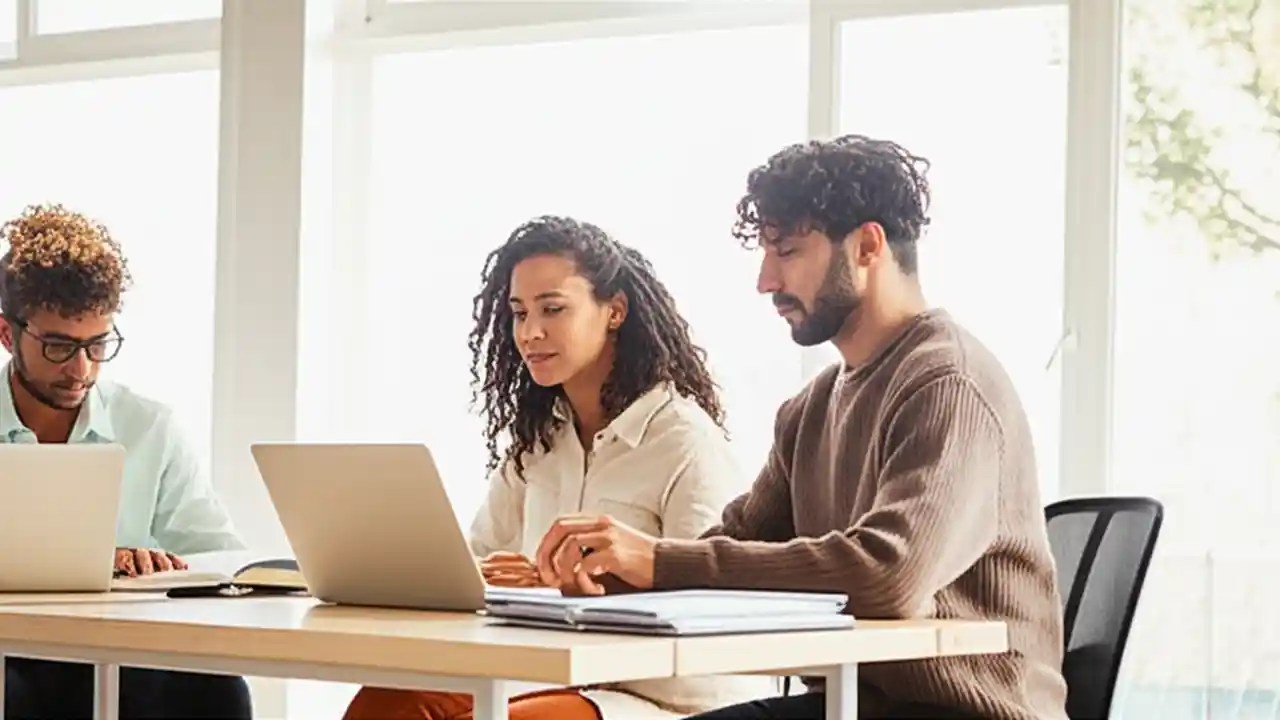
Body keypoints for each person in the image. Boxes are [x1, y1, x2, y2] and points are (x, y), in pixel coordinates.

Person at [533, 137, 1071, 719]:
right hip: (847, 705)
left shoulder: (948, 384)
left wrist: (660, 560)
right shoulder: (813, 406)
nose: (766, 280)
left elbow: (889, 575)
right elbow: (733, 546)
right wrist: (597, 572)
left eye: (787, 251)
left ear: (867, 246)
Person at [343, 216, 767, 720]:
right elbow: (479, 566)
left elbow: (707, 604)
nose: (531, 332)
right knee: (387, 701)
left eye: (553, 309)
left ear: (614, 311)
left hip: (660, 696)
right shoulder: (538, 445)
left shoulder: (684, 441)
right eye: (520, 313)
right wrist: (476, 579)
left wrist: (558, 588)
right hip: (552, 675)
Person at [0, 204, 252, 720]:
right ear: (7, 334)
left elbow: (225, 562)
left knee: (216, 689)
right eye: (57, 346)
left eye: (98, 344)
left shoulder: (149, 428)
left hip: (122, 655)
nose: (81, 368)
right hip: (9, 654)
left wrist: (151, 568)